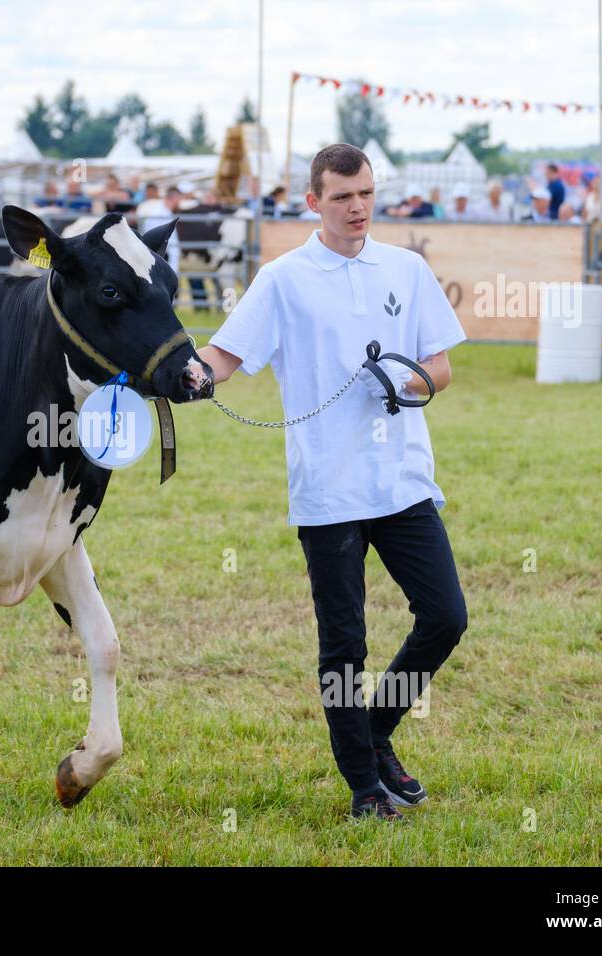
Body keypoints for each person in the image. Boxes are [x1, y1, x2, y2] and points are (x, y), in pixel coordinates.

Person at [197, 143, 468, 822]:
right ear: (313, 201)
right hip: (328, 490)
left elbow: (441, 365)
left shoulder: (406, 270)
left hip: (402, 480)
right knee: (344, 644)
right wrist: (179, 374)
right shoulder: (283, 279)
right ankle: (363, 789)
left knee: (445, 616)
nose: (358, 209)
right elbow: (224, 358)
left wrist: (413, 379)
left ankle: (375, 733)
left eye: (367, 194)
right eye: (343, 197)